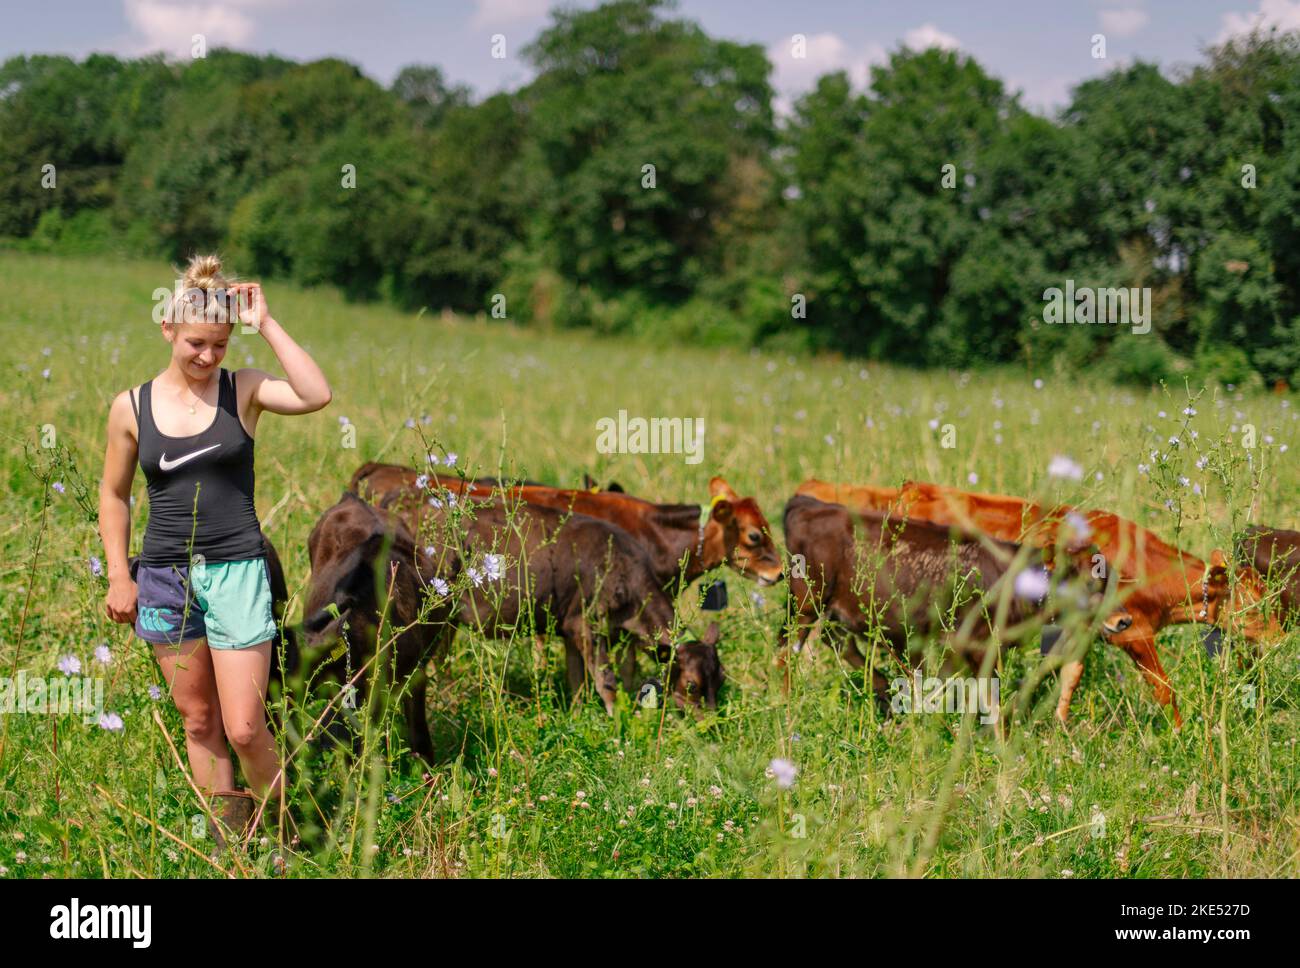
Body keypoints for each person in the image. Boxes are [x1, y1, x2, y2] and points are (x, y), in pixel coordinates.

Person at [98, 253, 331, 848]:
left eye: (220, 345)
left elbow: (315, 393)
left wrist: (267, 323)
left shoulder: (243, 389)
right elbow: (114, 494)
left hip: (236, 574)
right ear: (168, 329)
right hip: (162, 579)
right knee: (199, 722)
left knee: (246, 727)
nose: (208, 357)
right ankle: (232, 848)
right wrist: (120, 576)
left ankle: (291, 839)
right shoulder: (131, 407)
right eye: (196, 343)